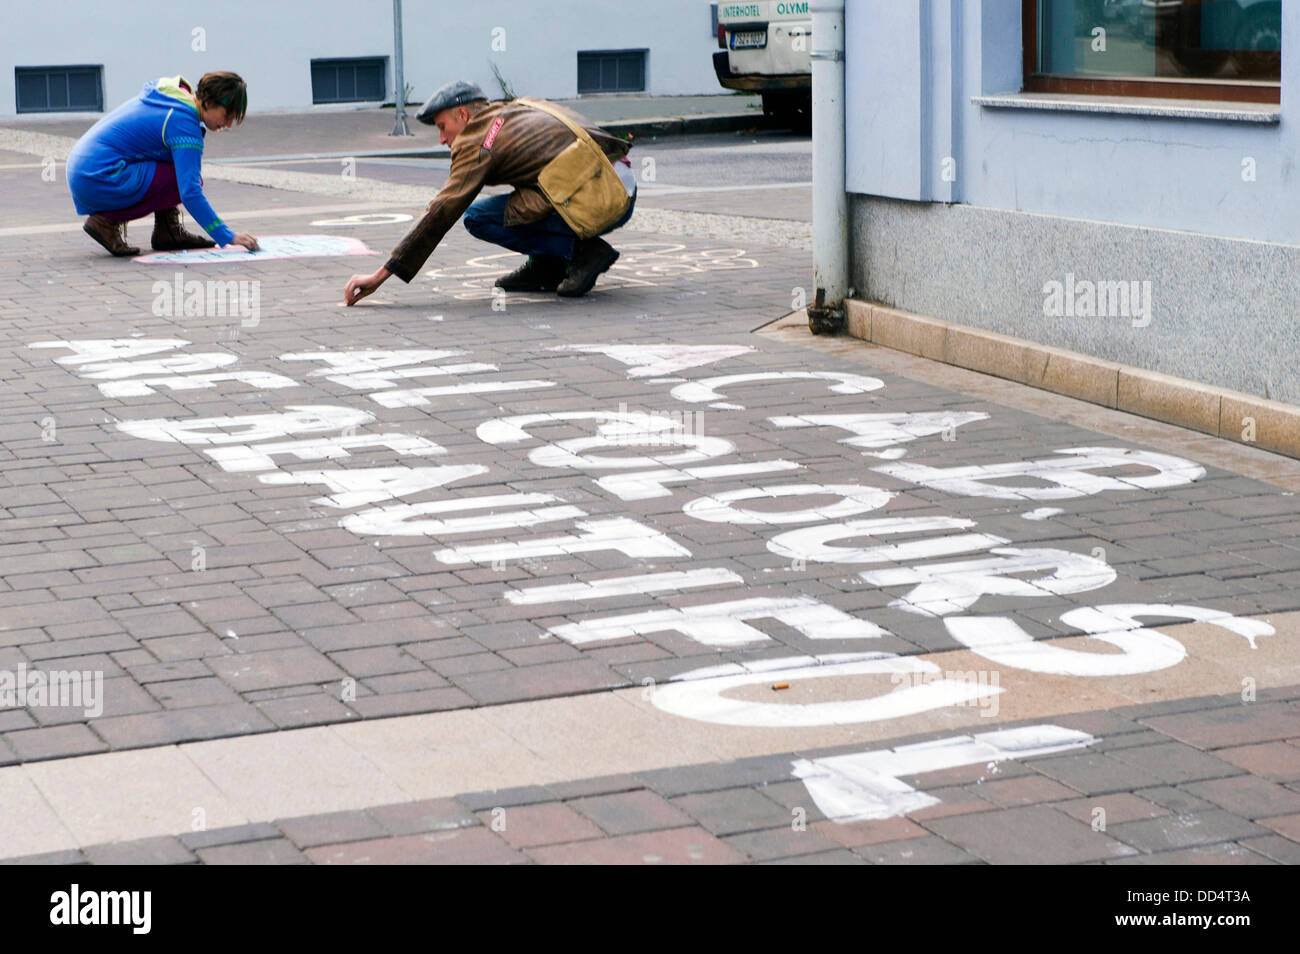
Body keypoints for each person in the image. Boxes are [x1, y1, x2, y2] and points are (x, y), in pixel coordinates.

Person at [344, 80, 636, 306]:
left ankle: (583, 253)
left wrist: (382, 274)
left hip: (603, 199)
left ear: (462, 114)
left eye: (443, 127)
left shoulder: (477, 141)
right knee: (525, 195)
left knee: (477, 217)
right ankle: (548, 266)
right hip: (619, 186)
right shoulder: (512, 109)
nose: (443, 139)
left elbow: (443, 209)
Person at [67, 71, 260, 256]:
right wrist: (228, 236)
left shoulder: (174, 96)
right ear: (208, 103)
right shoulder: (183, 124)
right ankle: (106, 222)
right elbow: (190, 193)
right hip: (100, 177)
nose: (228, 124)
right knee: (186, 180)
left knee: (177, 167)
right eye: (227, 116)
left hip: (84, 170)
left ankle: (167, 232)